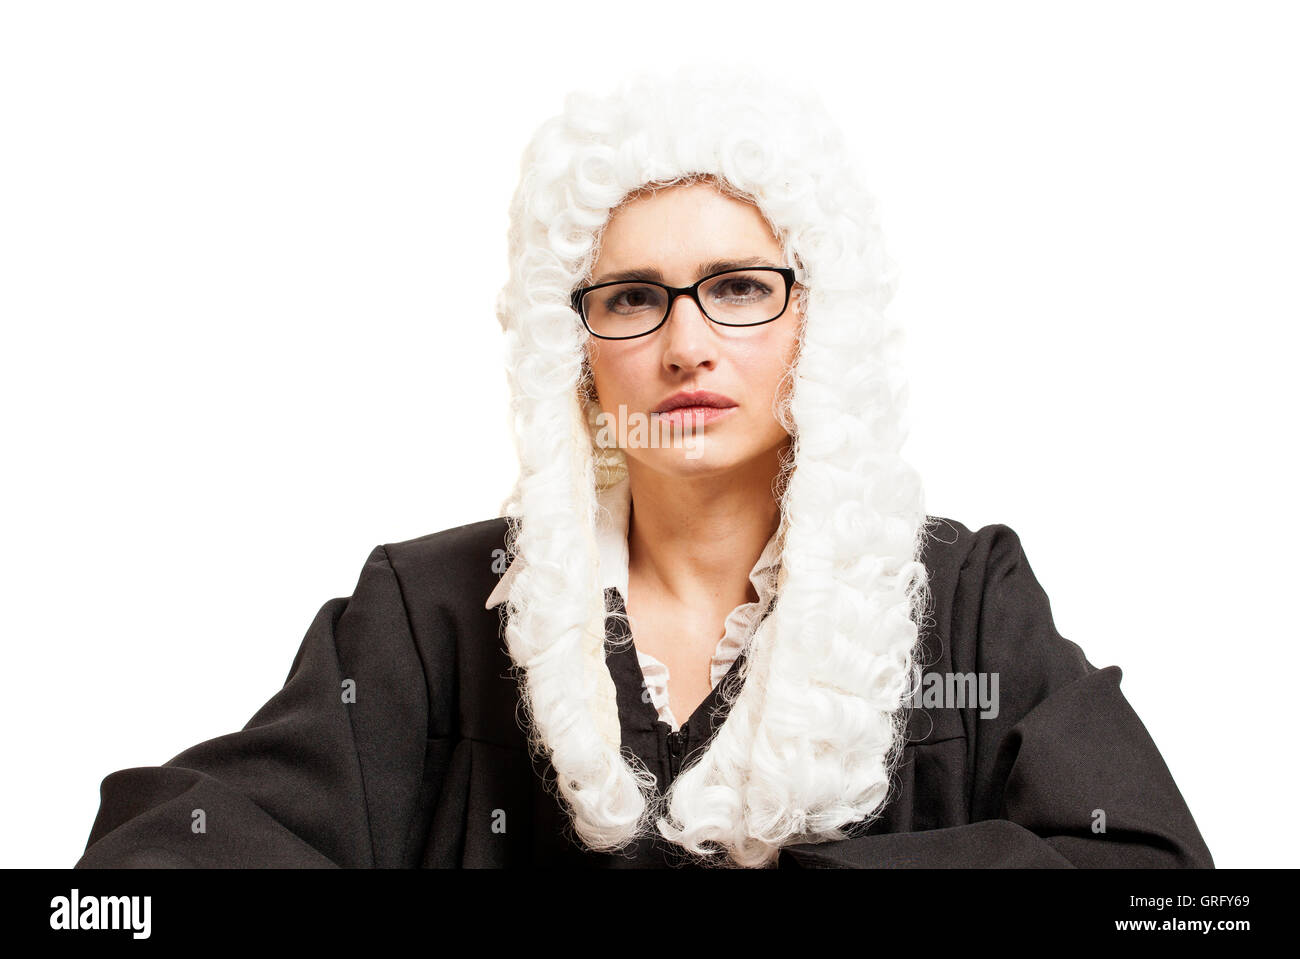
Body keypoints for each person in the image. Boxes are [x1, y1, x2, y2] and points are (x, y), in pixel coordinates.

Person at [75, 65, 1213, 869]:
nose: (685, 344)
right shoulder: (430, 618)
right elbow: (169, 850)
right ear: (572, 353)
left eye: (738, 285)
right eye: (630, 297)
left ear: (820, 325)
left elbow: (1160, 884)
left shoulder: (965, 608)